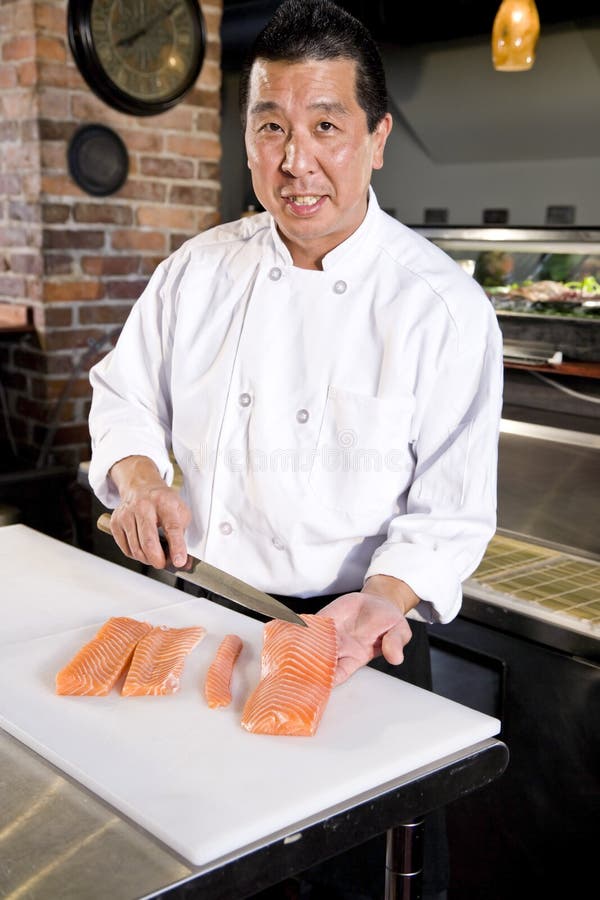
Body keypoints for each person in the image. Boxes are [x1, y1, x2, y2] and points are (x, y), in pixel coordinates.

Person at [88, 1, 503, 897]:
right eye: (270, 126)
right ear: (246, 137)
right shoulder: (195, 272)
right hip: (202, 616)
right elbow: (122, 395)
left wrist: (385, 595)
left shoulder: (439, 306)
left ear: (378, 137)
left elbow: (451, 511)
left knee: (349, 881)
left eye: (326, 126)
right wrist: (141, 478)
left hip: (352, 642)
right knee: (201, 861)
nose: (294, 160)